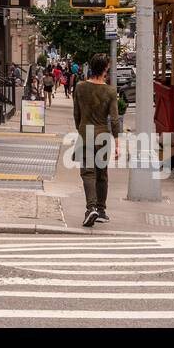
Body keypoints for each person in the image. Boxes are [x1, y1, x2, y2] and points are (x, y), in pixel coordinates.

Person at [72, 52, 121, 227]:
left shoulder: (80, 87)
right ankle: (101, 210)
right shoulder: (110, 91)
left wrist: (80, 129)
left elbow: (76, 114)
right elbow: (114, 119)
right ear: (105, 69)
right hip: (103, 136)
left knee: (87, 173)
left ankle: (90, 207)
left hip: (86, 134)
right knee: (102, 174)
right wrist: (117, 143)